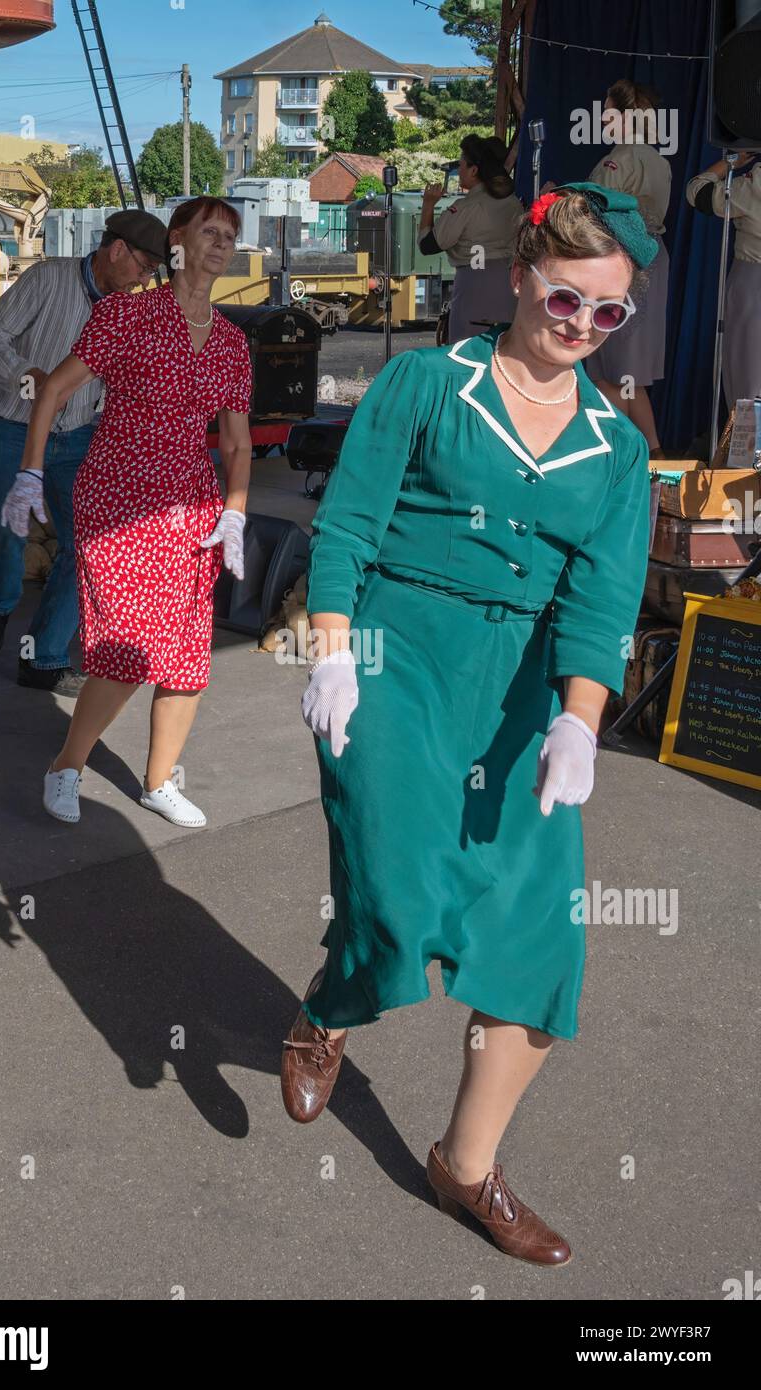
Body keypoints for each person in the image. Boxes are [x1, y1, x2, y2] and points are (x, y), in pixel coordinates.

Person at [282, 183, 657, 1265]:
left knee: (535, 937)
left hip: (524, 689)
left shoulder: (614, 446)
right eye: (566, 300)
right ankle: (330, 1008)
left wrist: (579, 723)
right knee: (399, 893)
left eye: (608, 316)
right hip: (399, 657)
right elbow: (349, 522)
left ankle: (465, 1165)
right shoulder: (426, 383)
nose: (581, 328)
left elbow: (600, 599)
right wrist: (336, 648)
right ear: (522, 277)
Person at [0, 197, 253, 826]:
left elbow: (239, 441)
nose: (221, 244)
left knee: (188, 651)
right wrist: (30, 473)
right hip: (119, 497)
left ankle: (159, 781)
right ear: (177, 240)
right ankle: (66, 766)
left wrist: (236, 513)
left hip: (190, 504)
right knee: (129, 648)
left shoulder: (229, 342)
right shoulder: (128, 314)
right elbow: (55, 390)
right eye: (209, 232)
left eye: (230, 236)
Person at [0, 209, 168, 695]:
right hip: (10, 425)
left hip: (77, 433)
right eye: (142, 266)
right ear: (117, 249)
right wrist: (28, 375)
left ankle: (43, 657)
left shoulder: (127, 310)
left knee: (91, 544)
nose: (144, 279)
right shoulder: (47, 278)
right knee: (10, 527)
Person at [576, 80, 671, 456]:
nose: (602, 116)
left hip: (624, 256)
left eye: (607, 109)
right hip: (650, 252)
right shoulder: (658, 159)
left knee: (613, 367)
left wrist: (563, 198)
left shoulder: (622, 157)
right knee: (628, 369)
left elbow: (596, 210)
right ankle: (652, 452)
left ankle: (610, 453)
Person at [419, 134, 523, 343]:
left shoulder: (466, 207)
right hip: (510, 285)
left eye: (462, 165)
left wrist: (429, 204)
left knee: (467, 351)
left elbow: (427, 245)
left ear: (474, 170)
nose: (460, 172)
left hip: (474, 284)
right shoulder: (513, 203)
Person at [686, 149, 761, 409]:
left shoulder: (756, 183)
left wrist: (729, 164)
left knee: (749, 381)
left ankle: (751, 450)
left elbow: (698, 193)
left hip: (753, 281)